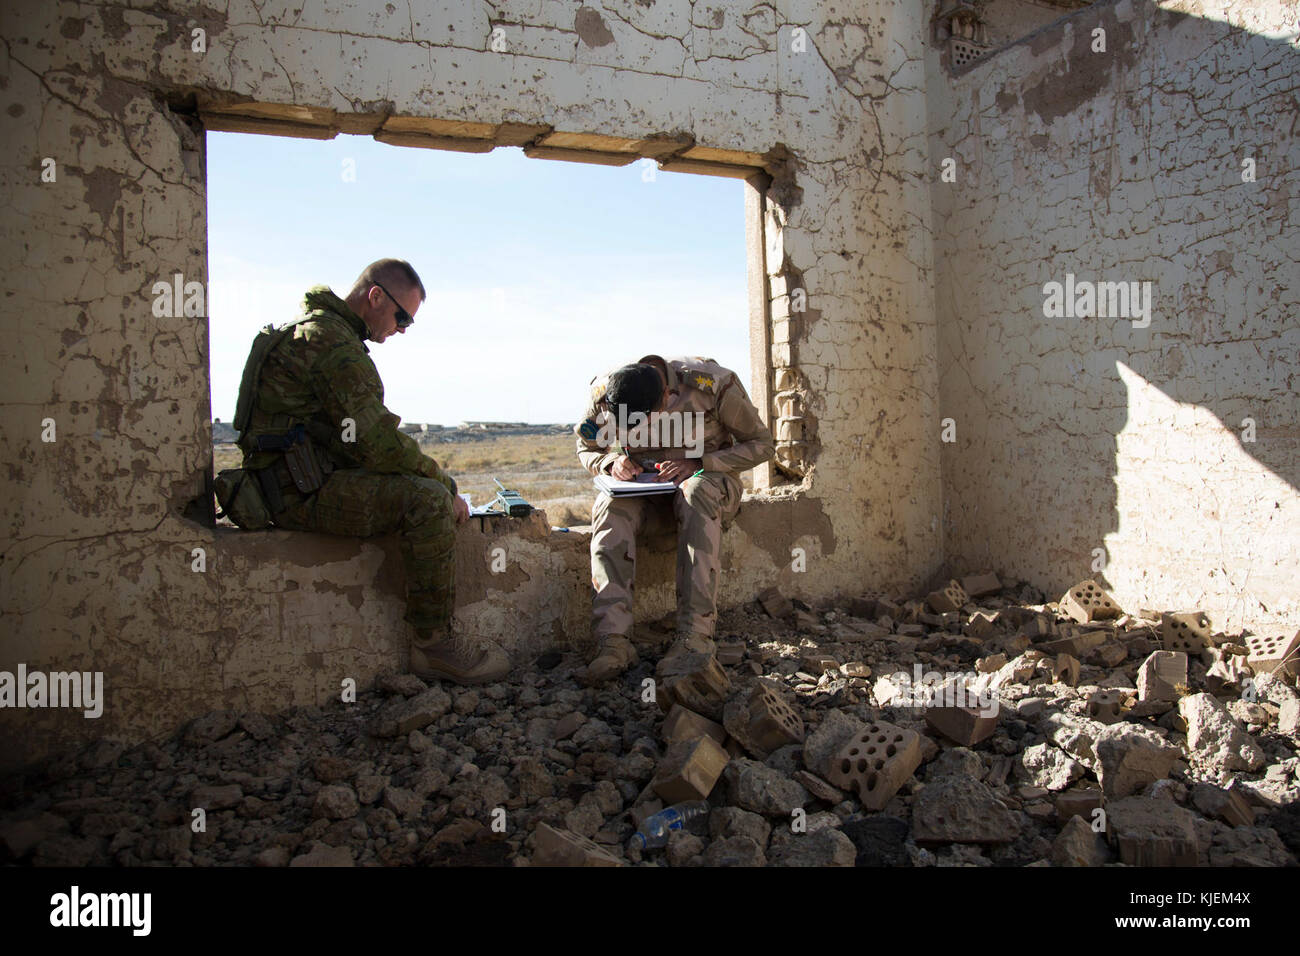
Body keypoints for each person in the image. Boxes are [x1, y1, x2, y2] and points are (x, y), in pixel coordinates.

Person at [236, 258, 508, 685]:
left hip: (286, 482)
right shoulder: (332, 345)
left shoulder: (315, 330)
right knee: (428, 501)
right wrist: (444, 482)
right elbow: (377, 442)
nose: (401, 329)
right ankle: (433, 646)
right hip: (297, 492)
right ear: (375, 295)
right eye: (402, 317)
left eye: (409, 323)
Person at [574, 354, 776, 684]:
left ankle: (693, 639)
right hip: (645, 493)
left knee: (695, 491)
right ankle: (613, 641)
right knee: (609, 506)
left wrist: (701, 461)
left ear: (669, 396)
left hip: (707, 483)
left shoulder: (712, 386)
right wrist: (610, 463)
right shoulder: (606, 394)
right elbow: (585, 446)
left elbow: (762, 445)